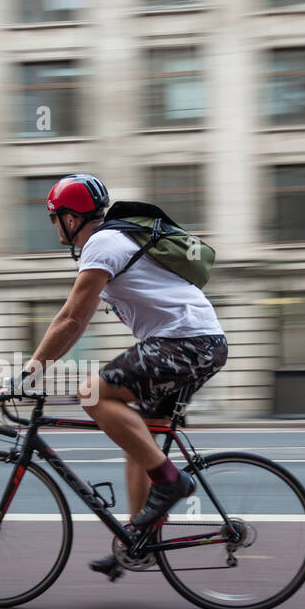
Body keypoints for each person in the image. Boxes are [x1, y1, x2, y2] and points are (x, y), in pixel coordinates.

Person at [16, 173, 228, 577]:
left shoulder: (103, 243)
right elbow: (81, 319)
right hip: (199, 343)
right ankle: (139, 540)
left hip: (184, 343)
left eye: (54, 218)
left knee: (94, 395)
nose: (54, 227)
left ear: (71, 218)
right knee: (140, 439)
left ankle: (171, 482)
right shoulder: (115, 242)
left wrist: (29, 373)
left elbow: (71, 318)